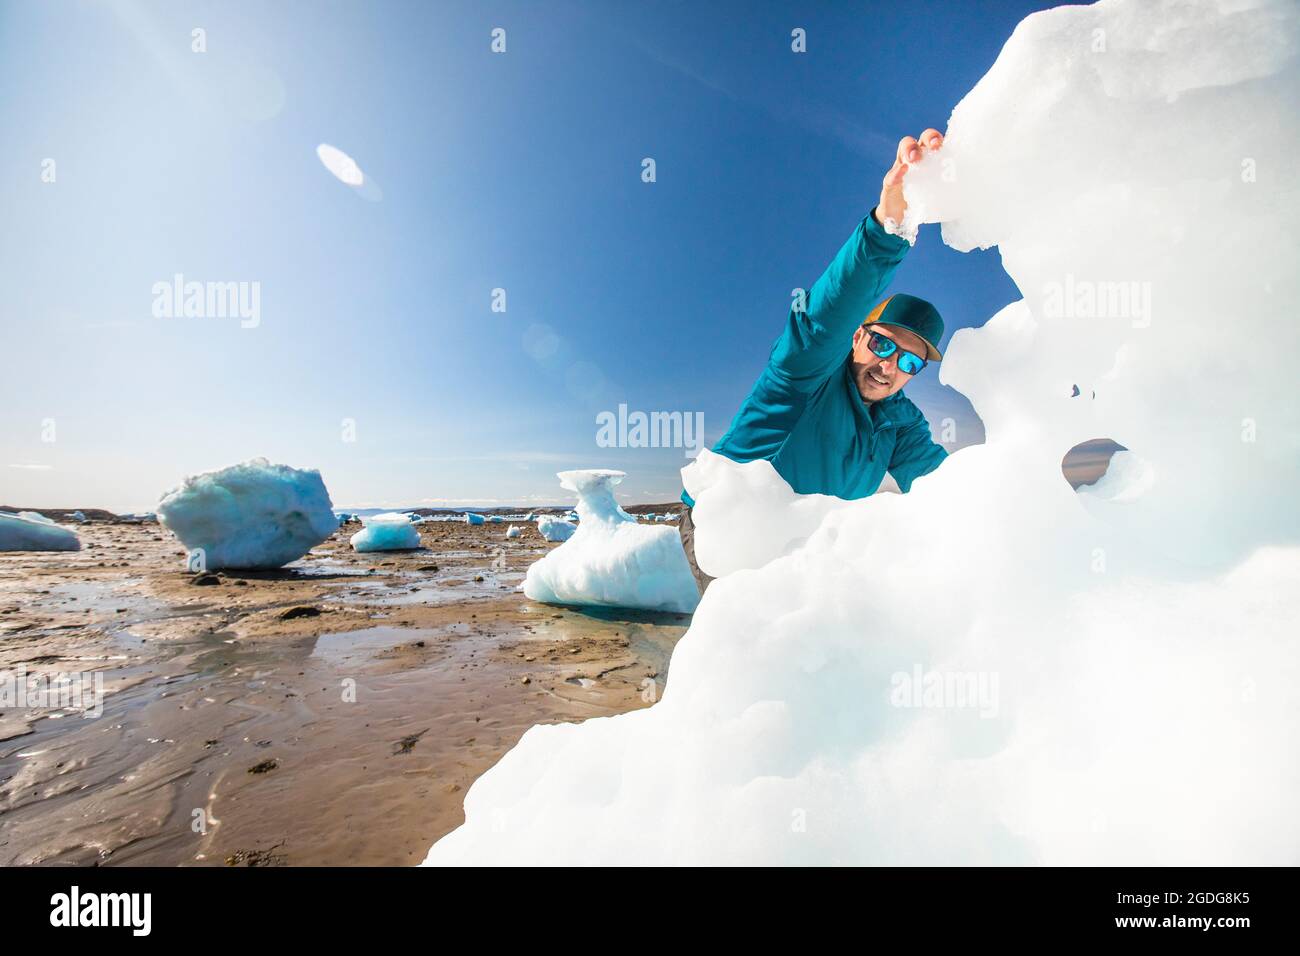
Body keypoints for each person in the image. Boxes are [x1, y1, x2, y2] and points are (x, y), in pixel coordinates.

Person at [679, 129, 950, 594]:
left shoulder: (902, 425)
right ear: (859, 335)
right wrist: (889, 227)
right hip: (724, 521)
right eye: (883, 345)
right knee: (750, 640)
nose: (889, 367)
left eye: (910, 362)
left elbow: (947, 487)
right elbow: (828, 315)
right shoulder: (806, 373)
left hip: (810, 537)